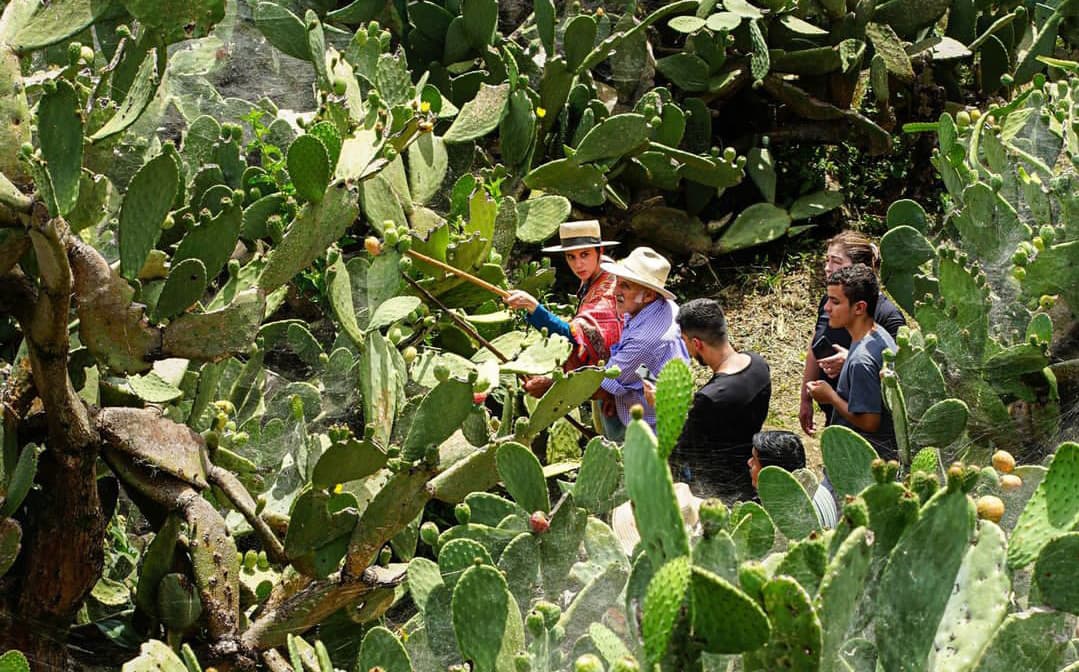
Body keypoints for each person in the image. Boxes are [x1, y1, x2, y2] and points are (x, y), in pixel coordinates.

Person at [657, 298, 771, 502]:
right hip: (750, 475)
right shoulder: (759, 365)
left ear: (696, 343)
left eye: (684, 341)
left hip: (716, 493)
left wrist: (663, 407)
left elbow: (681, 450)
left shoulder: (709, 399)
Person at [799, 231, 905, 436]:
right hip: (837, 412)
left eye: (836, 261)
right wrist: (806, 398)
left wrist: (851, 360)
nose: (828, 268)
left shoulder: (887, 316)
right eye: (827, 260)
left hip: (863, 422)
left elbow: (898, 373)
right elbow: (815, 345)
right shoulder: (831, 302)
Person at [503, 220, 623, 397]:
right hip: (616, 383)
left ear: (600, 252)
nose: (578, 264)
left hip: (632, 384)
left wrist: (533, 307)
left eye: (584, 254)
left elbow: (576, 336)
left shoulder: (609, 290)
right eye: (571, 257)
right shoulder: (596, 275)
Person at [595, 247, 689, 441]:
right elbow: (645, 367)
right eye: (617, 283)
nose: (615, 291)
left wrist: (552, 389)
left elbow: (601, 385)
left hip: (652, 431)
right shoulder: (665, 307)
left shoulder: (643, 340)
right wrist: (617, 391)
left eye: (625, 286)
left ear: (648, 295)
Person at [806, 264, 899, 459]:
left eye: (835, 302)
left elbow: (869, 422)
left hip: (865, 460)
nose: (826, 308)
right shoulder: (878, 335)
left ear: (859, 307)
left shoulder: (860, 361)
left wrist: (830, 396)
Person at [747, 431, 838, 528]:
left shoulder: (783, 518)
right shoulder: (821, 490)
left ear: (772, 473)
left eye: (754, 459)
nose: (749, 462)